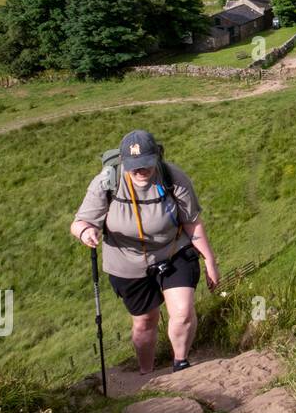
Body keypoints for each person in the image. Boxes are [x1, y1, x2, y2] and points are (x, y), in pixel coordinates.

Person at [70, 129, 219, 374]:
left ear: (157, 157)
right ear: (123, 162)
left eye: (146, 164)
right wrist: (86, 232)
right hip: (126, 263)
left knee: (182, 312)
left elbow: (192, 222)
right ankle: (146, 374)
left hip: (173, 251)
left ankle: (181, 364)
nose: (140, 170)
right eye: (134, 166)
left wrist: (210, 261)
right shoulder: (107, 183)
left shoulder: (173, 178)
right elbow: (78, 223)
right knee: (144, 323)